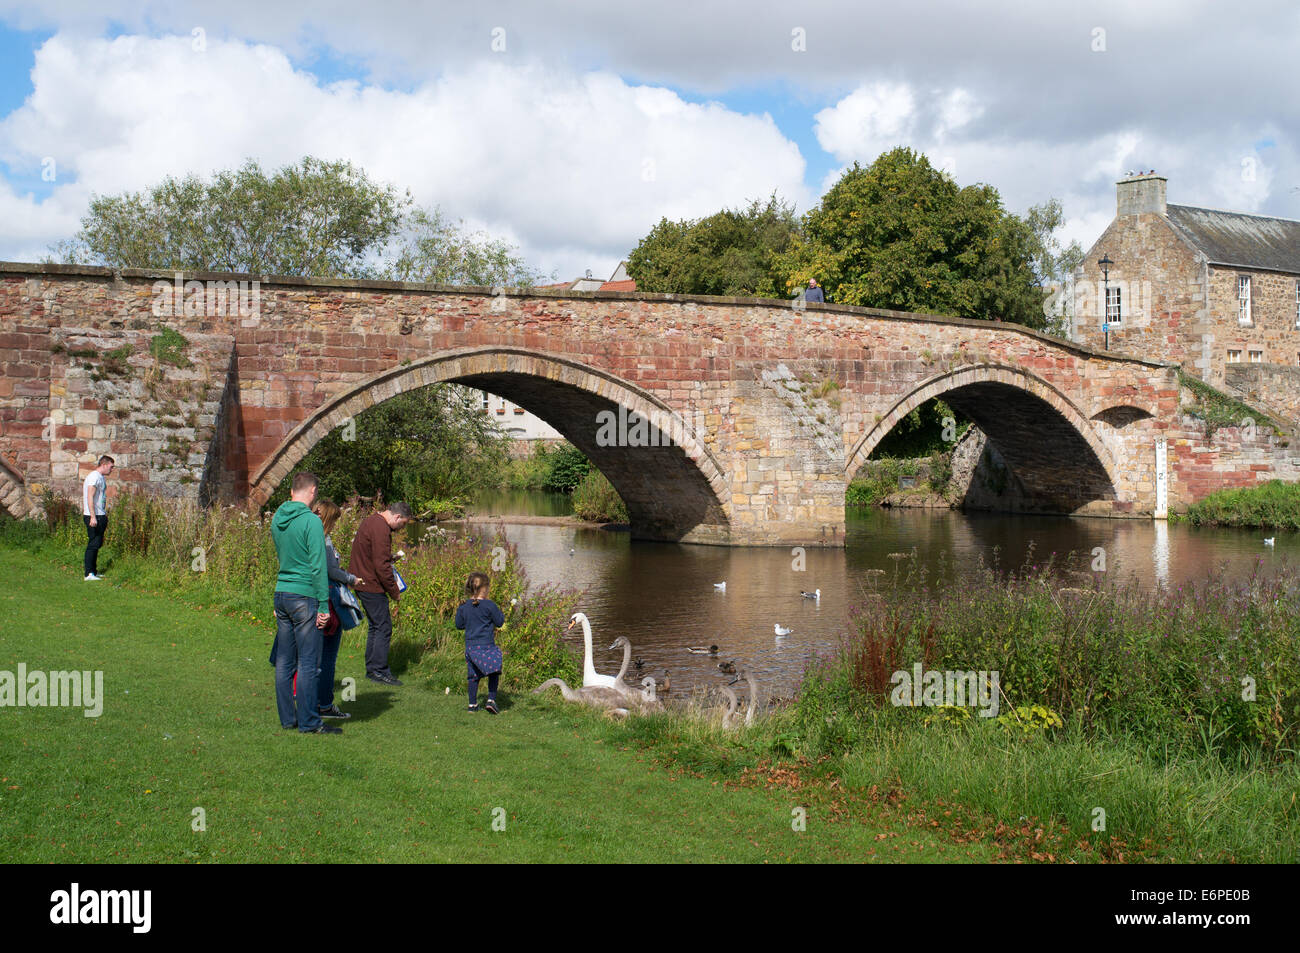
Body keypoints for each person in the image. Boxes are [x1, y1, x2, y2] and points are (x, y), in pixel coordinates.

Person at [270, 471, 340, 734]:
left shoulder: (277, 518)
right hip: (304, 596)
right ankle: (310, 723)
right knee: (309, 662)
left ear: (291, 492)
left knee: (285, 661)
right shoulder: (311, 521)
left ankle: (289, 719)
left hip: (282, 593)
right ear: (312, 492)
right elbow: (317, 567)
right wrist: (323, 606)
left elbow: (283, 556)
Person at [348, 501, 413, 686]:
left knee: (376, 626)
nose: (401, 529)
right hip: (371, 585)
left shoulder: (373, 521)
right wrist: (394, 591)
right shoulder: (381, 528)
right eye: (403, 524)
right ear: (397, 516)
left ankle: (373, 669)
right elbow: (381, 566)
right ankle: (379, 671)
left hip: (362, 581)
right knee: (383, 627)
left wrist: (389, 557)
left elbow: (375, 556)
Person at [313, 498, 363, 720]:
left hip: (309, 598)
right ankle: (324, 705)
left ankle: (308, 700)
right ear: (328, 519)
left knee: (311, 656)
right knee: (327, 657)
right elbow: (331, 571)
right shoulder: (323, 540)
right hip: (327, 601)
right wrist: (351, 578)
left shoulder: (307, 538)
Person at [454, 571, 505, 714]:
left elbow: (459, 625)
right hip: (487, 646)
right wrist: (500, 613)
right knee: (494, 670)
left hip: (471, 648)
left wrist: (461, 611)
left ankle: (472, 705)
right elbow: (500, 622)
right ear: (485, 589)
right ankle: (491, 700)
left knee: (473, 676)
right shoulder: (489, 605)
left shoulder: (464, 606)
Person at [82, 455, 114, 581]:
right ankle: (88, 574)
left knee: (97, 543)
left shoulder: (100, 477)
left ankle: (93, 572)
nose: (112, 470)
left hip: (100, 515)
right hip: (93, 516)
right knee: (93, 544)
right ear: (104, 464)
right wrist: (93, 517)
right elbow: (90, 496)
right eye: (111, 467)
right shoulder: (94, 477)